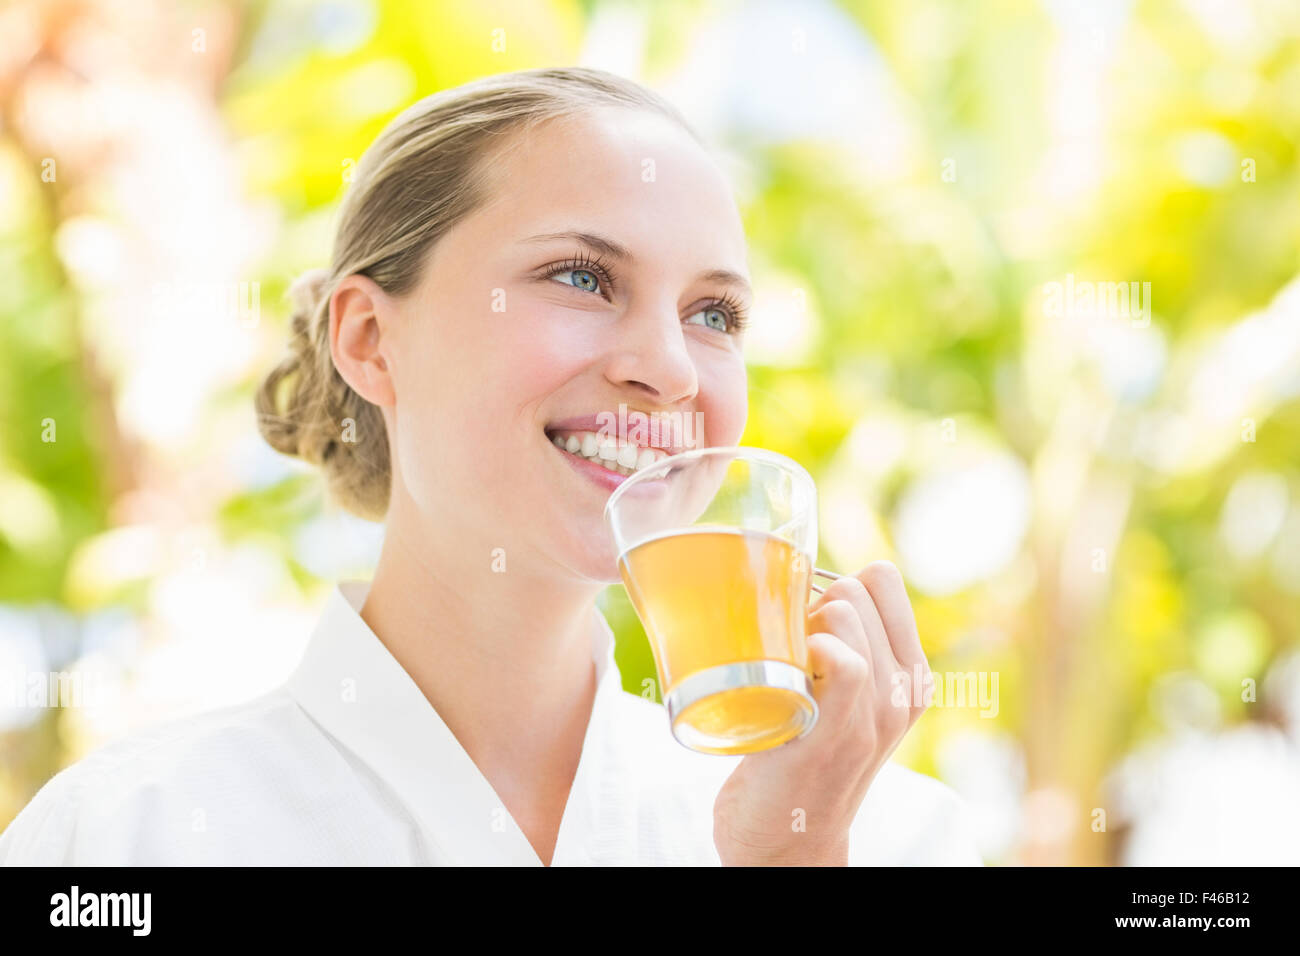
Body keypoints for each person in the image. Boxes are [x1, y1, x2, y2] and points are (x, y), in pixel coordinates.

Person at [0, 66, 982, 866]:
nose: (670, 367)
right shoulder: (126, 836)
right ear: (371, 340)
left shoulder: (887, 837)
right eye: (581, 276)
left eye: (713, 314)